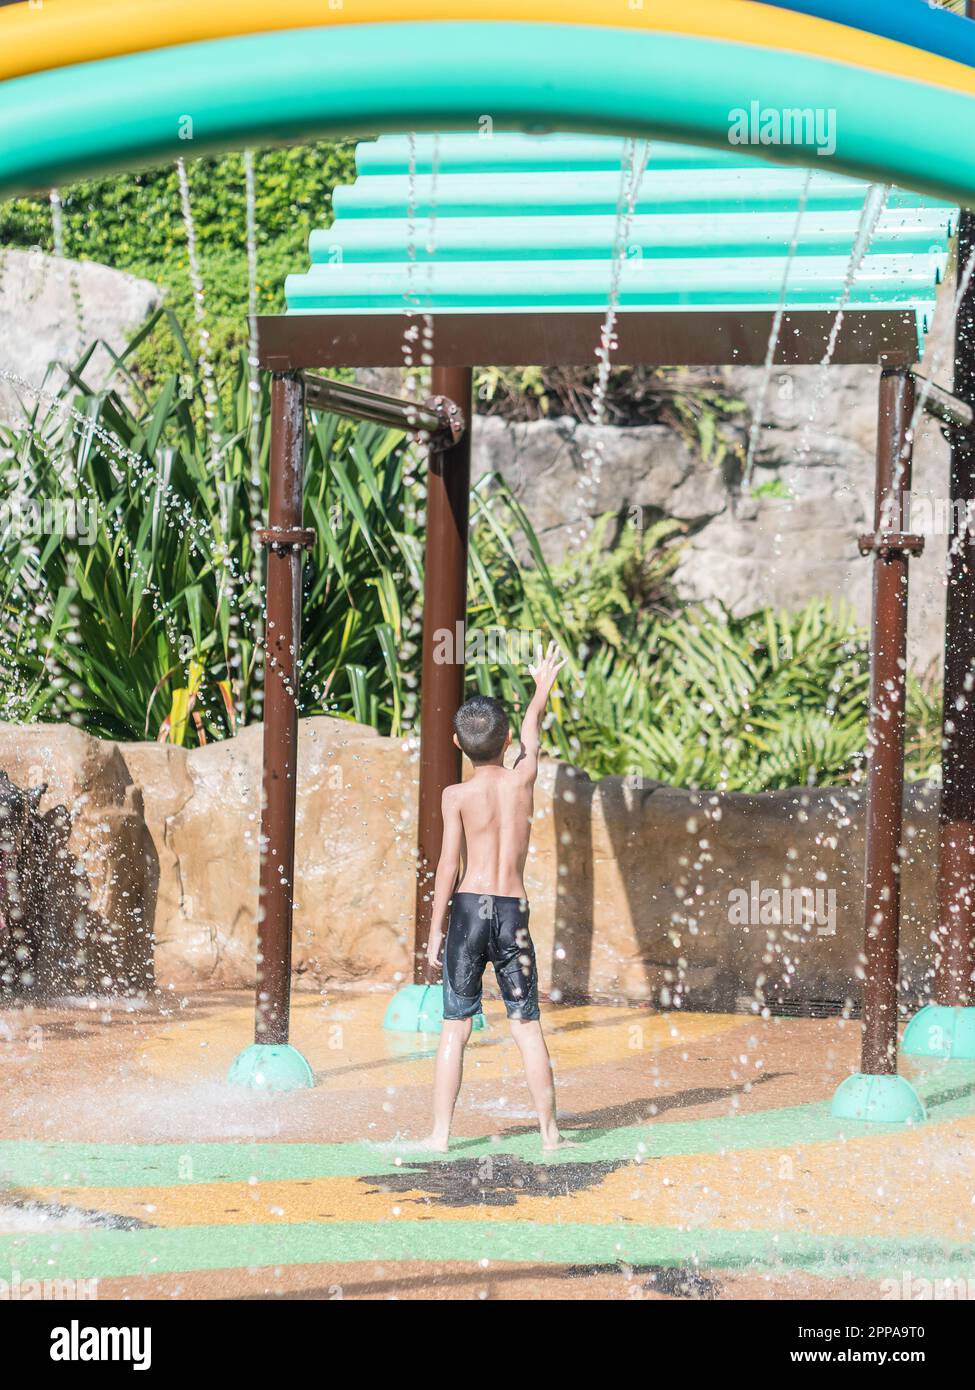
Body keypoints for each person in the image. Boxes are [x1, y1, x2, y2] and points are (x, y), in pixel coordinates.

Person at [419, 642, 575, 1152]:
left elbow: (448, 864)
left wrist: (434, 929)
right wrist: (540, 690)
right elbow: (531, 738)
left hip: (467, 911)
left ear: (457, 743)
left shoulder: (456, 797)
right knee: (527, 1028)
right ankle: (550, 1134)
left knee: (454, 1030)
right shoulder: (522, 781)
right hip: (512, 911)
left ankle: (440, 1136)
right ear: (505, 741)